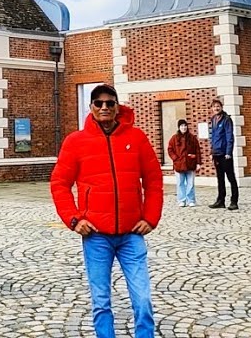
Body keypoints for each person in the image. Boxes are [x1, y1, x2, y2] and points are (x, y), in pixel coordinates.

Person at [50, 84, 163, 338]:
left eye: (109, 103)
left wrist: (150, 218)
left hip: (131, 234)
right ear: (91, 107)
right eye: (99, 103)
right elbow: (59, 183)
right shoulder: (75, 142)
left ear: (117, 106)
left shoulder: (136, 138)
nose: (104, 107)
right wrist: (74, 219)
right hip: (96, 236)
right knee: (101, 302)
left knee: (143, 299)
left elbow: (154, 180)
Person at [208, 100, 239, 210]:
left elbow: (229, 137)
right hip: (216, 153)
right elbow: (212, 138)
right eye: (214, 106)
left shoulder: (226, 119)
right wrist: (211, 152)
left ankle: (234, 201)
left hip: (225, 154)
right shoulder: (213, 120)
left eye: (218, 106)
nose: (216, 108)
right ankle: (220, 200)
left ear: (221, 107)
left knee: (231, 177)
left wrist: (228, 152)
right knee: (220, 178)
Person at [167, 119, 200, 207]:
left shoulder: (192, 138)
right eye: (182, 126)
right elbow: (170, 149)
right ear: (179, 127)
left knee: (190, 183)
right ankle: (181, 200)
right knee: (180, 183)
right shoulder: (174, 138)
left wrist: (198, 163)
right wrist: (175, 159)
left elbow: (197, 150)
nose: (184, 127)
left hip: (190, 163)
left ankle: (191, 200)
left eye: (185, 126)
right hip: (179, 164)